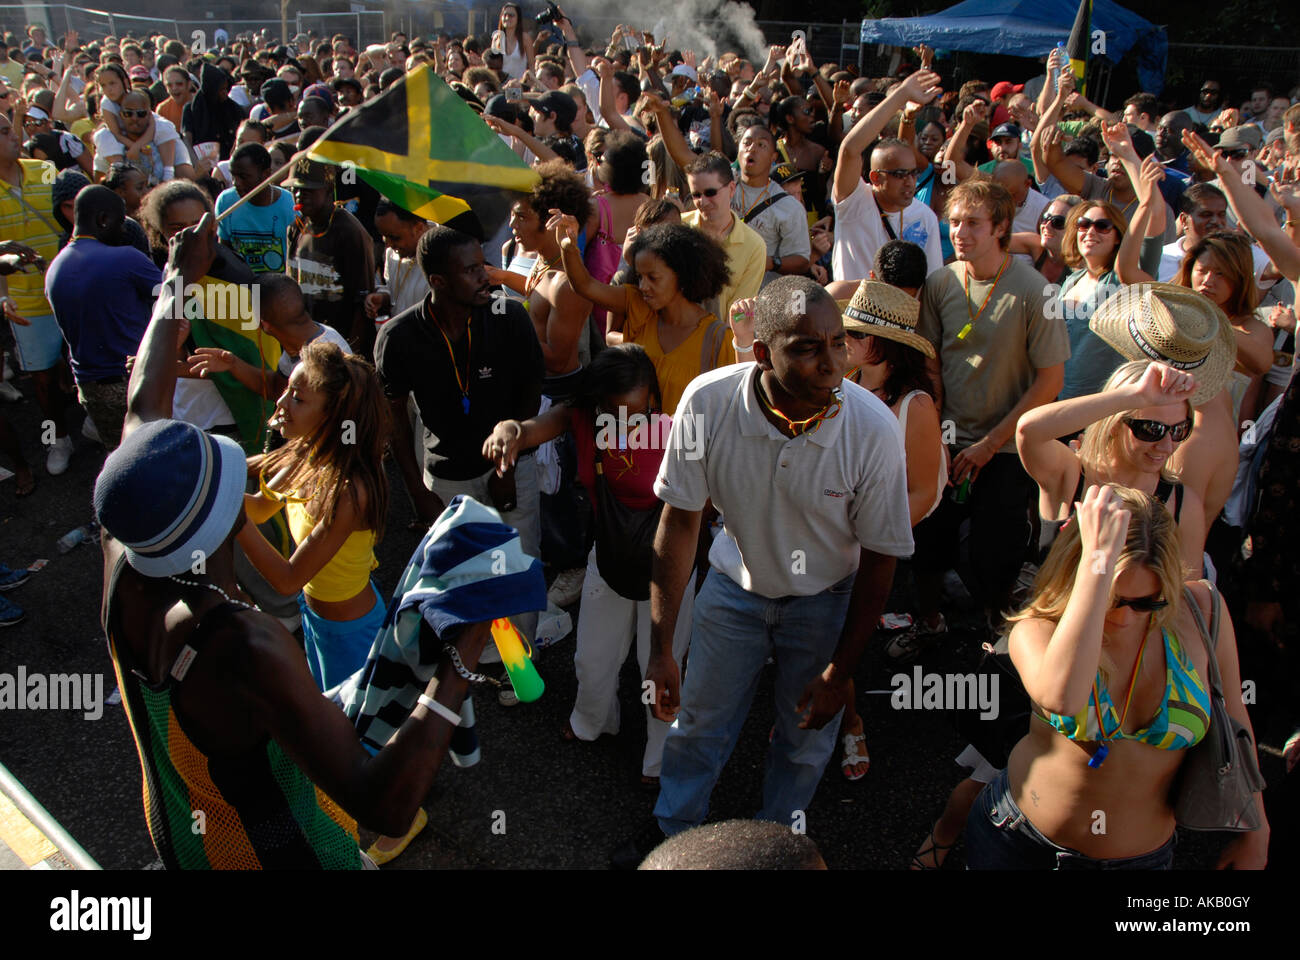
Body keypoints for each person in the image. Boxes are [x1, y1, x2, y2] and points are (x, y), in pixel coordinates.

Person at [93, 212, 496, 870]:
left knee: (355, 719)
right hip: (283, 857)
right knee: (356, 738)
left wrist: (176, 277)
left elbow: (143, 406)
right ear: (213, 527)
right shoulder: (246, 644)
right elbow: (381, 803)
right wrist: (463, 654)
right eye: (228, 494)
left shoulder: (122, 550)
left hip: (180, 842)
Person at [614, 276, 912, 866]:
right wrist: (661, 647)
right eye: (805, 347)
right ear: (760, 353)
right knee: (699, 725)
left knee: (805, 742)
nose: (831, 365)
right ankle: (675, 838)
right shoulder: (706, 403)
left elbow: (881, 561)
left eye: (837, 343)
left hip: (826, 599)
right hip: (734, 588)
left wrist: (840, 672)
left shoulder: (874, 430)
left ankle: (777, 850)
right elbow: (680, 523)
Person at [965, 484, 1268, 869]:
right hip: (1020, 843)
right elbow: (1063, 699)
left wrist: (1256, 829)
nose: (1124, 618)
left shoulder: (1203, 611)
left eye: (1146, 603)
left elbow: (1237, 715)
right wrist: (1098, 566)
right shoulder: (1040, 629)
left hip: (1144, 860)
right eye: (1111, 598)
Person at [483, 345, 692, 787]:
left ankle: (660, 758)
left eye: (642, 410)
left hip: (667, 567)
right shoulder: (579, 417)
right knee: (592, 658)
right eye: (617, 414)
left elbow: (701, 509)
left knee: (657, 663)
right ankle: (592, 721)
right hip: (610, 557)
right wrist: (509, 430)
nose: (632, 424)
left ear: (654, 396)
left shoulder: (678, 430)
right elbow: (529, 429)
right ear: (596, 405)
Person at [891, 179, 1068, 659]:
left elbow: (1050, 382)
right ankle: (929, 624)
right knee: (928, 544)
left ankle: (1000, 630)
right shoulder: (942, 281)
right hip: (946, 442)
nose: (960, 232)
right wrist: (938, 434)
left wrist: (990, 443)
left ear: (1002, 227)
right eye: (954, 222)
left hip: (1009, 448)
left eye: (973, 223)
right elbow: (930, 360)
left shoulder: (1037, 290)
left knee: (998, 553)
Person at [373, 224, 545, 660]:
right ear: (438, 281)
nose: (485, 275)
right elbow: (393, 419)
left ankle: (518, 662)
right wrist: (418, 494)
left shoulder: (510, 316)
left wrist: (508, 467)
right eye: (470, 271)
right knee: (468, 575)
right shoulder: (399, 337)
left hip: (511, 466)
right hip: (446, 479)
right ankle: (475, 658)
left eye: (481, 264)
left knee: (514, 568)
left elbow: (529, 395)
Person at [834, 275, 944, 781]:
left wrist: (877, 535)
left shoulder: (915, 406)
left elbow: (925, 489)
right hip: (825, 536)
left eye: (854, 335)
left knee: (840, 640)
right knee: (819, 635)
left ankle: (850, 722)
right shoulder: (843, 383)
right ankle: (820, 714)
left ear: (883, 345)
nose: (844, 342)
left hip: (868, 547)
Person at [235, 337, 389, 693]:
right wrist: (211, 481)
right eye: (288, 390)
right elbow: (260, 508)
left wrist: (230, 514)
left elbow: (288, 580)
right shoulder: (306, 452)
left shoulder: (351, 491)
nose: (281, 403)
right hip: (316, 618)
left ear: (334, 417)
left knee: (354, 740)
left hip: (352, 636)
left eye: (299, 398)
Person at [1018, 361, 1209, 571]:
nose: (1166, 445)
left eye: (1179, 430)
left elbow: (1186, 591)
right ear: (1114, 425)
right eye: (1151, 429)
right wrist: (1135, 395)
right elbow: (1029, 431)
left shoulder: (1183, 503)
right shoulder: (1070, 474)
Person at [552, 216, 736, 416]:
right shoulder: (637, 305)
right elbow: (584, 286)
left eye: (653, 278)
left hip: (684, 446)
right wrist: (568, 246)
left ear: (682, 275)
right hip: (628, 444)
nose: (643, 287)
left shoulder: (720, 339)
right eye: (640, 277)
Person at [44, 186, 160, 450]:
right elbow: (178, 299)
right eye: (120, 223)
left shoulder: (55, 268)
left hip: (90, 390)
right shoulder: (126, 258)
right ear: (103, 220)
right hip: (133, 382)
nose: (122, 231)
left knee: (118, 455)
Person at [0, 112, 71, 475]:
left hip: (70, 290)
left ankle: (96, 424)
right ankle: (55, 439)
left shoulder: (44, 170)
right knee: (40, 379)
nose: (12, 135)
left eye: (8, 128)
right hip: (26, 302)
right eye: (1, 132)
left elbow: (74, 216)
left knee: (83, 367)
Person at [831, 69, 944, 282]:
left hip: (901, 314)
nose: (910, 182)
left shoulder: (925, 217)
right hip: (851, 313)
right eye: (900, 175)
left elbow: (931, 281)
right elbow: (849, 149)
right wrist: (901, 95)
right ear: (875, 178)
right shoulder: (852, 202)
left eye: (913, 174)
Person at [284, 157, 376, 356]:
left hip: (340, 346)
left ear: (327, 188)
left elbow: (361, 302)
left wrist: (350, 355)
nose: (300, 195)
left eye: (308, 189)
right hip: (305, 343)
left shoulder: (348, 231)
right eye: (295, 189)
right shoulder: (295, 229)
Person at [680, 152, 765, 325]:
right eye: (696, 195)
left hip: (720, 342)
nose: (702, 201)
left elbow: (739, 315)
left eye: (710, 193)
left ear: (732, 189)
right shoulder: (678, 226)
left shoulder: (754, 246)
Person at [732, 124, 811, 286]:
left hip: (757, 298)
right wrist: (663, 113)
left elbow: (802, 261)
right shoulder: (720, 186)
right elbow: (684, 159)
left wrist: (769, 262)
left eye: (761, 145)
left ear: (773, 157)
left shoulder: (789, 207)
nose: (752, 148)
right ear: (738, 149)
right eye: (746, 143)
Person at [215, 143, 296, 274]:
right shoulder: (225, 201)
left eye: (243, 177)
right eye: (233, 176)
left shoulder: (290, 205)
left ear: (266, 174)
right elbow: (225, 253)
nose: (236, 183)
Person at [1008, 193, 1081, 285]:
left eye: (1057, 221)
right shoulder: (1037, 246)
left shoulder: (1080, 266)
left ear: (1075, 230)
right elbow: (994, 241)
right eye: (1046, 218)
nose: (1046, 226)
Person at [490, 4, 533, 82]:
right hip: (501, 86)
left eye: (511, 15)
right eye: (505, 15)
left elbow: (531, 65)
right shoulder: (497, 38)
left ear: (518, 18)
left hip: (519, 86)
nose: (507, 18)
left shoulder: (525, 38)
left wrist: (530, 83)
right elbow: (493, 66)